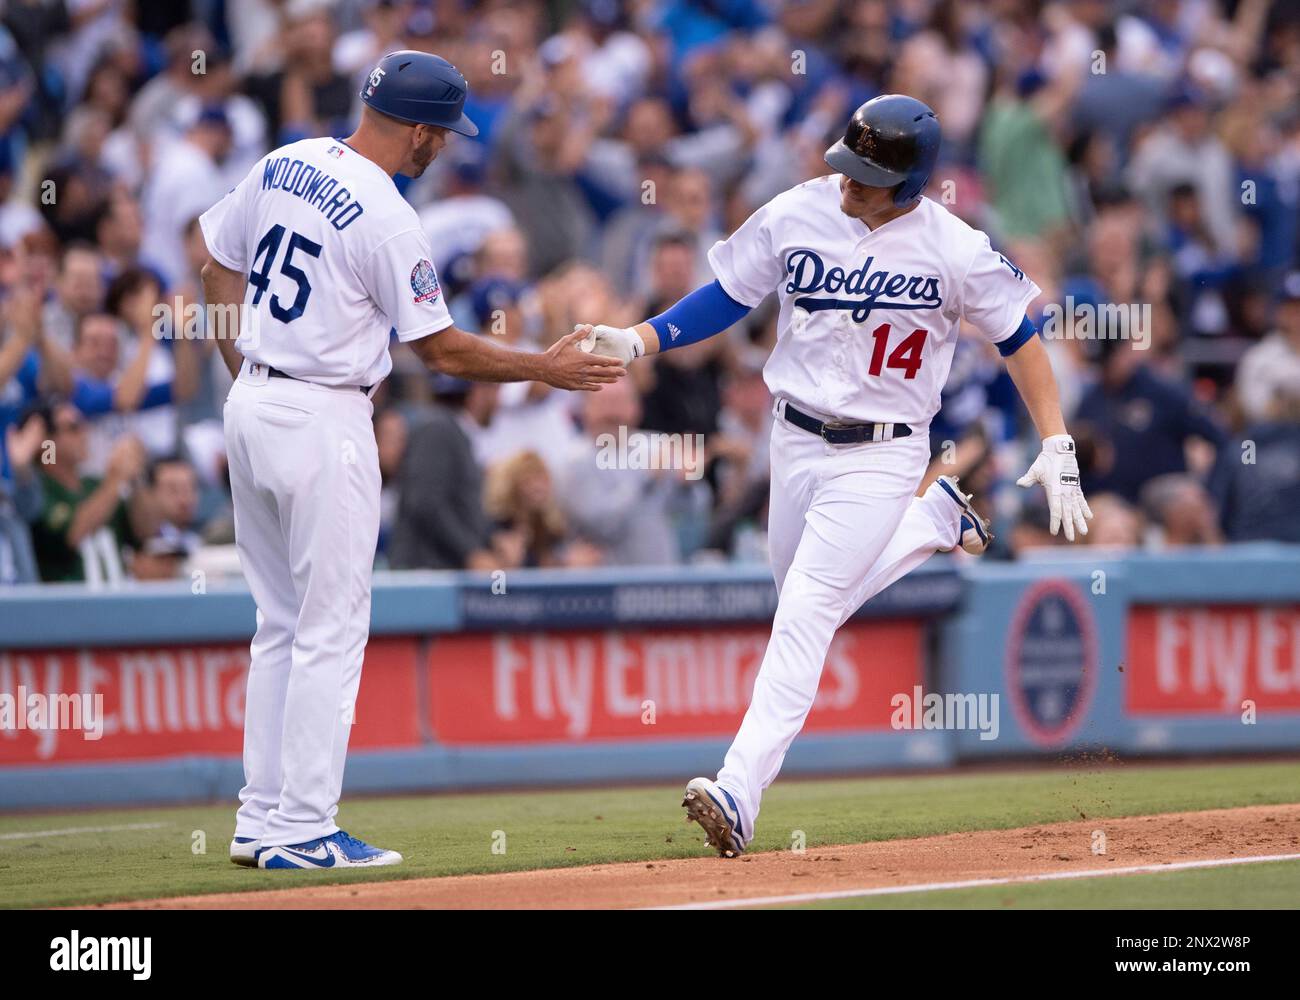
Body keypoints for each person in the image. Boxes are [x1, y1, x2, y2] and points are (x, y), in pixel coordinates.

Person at [577, 95, 1092, 856]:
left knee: (808, 610)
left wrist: (1056, 440)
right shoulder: (799, 212)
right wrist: (640, 339)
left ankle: (738, 788)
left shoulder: (953, 246)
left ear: (911, 181)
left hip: (884, 449)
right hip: (792, 439)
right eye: (845, 165)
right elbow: (729, 293)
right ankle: (932, 522)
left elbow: (1022, 337)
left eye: (866, 174)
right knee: (801, 598)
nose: (846, 182)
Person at [197, 50, 623, 871]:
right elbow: (441, 352)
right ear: (422, 131)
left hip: (253, 401)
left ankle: (262, 816)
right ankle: (304, 826)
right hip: (322, 413)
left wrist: (242, 370)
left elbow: (214, 257)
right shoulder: (387, 212)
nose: (444, 149)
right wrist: (546, 365)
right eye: (443, 135)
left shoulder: (289, 159)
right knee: (329, 627)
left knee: (280, 625)